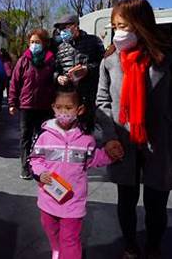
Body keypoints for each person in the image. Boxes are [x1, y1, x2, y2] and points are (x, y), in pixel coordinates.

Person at [96, 0, 172, 259]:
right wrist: (109, 138)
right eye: (114, 26)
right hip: (122, 143)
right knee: (126, 199)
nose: (118, 32)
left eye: (123, 25)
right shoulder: (110, 60)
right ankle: (129, 245)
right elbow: (102, 102)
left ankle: (153, 246)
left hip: (159, 143)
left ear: (141, 24)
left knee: (156, 204)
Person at [29, 87, 116, 259]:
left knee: (70, 239)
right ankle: (56, 248)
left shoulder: (86, 139)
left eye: (68, 108)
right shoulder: (44, 136)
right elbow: (35, 159)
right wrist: (40, 173)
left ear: (79, 109)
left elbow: (93, 159)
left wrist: (110, 155)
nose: (63, 112)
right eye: (59, 107)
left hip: (74, 200)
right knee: (50, 228)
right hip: (49, 197)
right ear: (53, 107)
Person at [9, 29, 55, 179]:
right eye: (32, 42)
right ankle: (25, 167)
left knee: (43, 138)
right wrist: (12, 103)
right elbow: (14, 83)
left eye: (37, 42)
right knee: (25, 137)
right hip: (26, 106)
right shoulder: (23, 60)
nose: (34, 45)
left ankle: (40, 166)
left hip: (45, 107)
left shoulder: (51, 61)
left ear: (44, 43)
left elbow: (56, 83)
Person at [53, 14, 105, 110]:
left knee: (90, 123)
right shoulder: (60, 48)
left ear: (76, 26)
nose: (63, 31)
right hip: (69, 96)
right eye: (60, 29)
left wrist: (87, 69)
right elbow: (56, 69)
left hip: (90, 95)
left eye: (66, 27)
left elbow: (103, 64)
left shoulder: (93, 41)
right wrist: (58, 77)